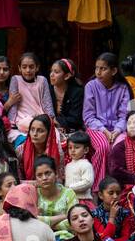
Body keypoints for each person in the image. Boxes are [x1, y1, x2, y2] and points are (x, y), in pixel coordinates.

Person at [81, 52, 125, 181]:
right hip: (96, 128)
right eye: (96, 68)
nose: (98, 72)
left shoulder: (123, 88)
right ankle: (97, 187)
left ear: (114, 71)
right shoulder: (91, 86)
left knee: (119, 147)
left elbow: (124, 116)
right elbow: (88, 116)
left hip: (118, 129)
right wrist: (104, 130)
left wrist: (117, 131)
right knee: (103, 146)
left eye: (103, 68)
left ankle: (118, 187)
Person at [48, 58, 84, 138]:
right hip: (50, 128)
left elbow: (76, 120)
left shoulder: (77, 92)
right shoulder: (47, 90)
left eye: (56, 72)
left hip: (73, 131)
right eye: (51, 71)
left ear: (67, 76)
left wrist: (55, 120)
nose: (51, 74)